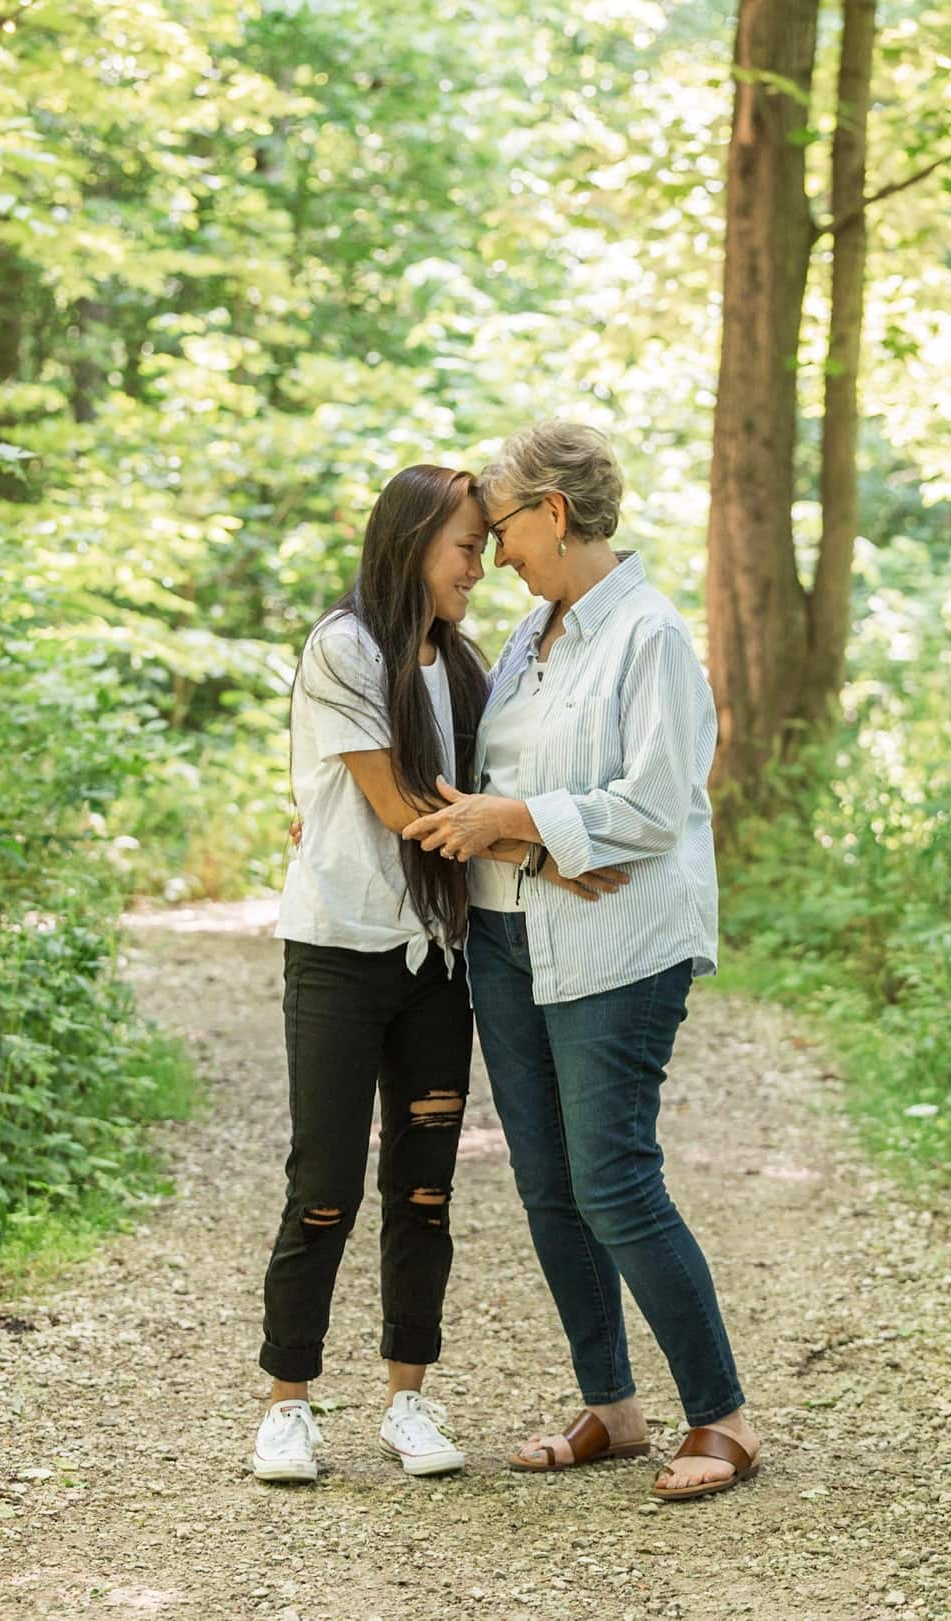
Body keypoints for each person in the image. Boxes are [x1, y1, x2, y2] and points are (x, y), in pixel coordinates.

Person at [403, 422, 760, 1502]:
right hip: (508, 934)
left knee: (614, 1179)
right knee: (548, 1184)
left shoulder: (649, 635)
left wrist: (520, 819)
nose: (495, 554)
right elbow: (486, 781)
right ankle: (612, 1404)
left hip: (619, 944)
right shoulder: (531, 635)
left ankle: (724, 1417)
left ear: (553, 513)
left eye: (503, 529)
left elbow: (656, 802)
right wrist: (512, 836)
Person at [254, 463, 624, 1485]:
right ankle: (287, 1405)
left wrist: (556, 834)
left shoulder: (460, 666)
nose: (480, 566)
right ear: (412, 542)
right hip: (337, 953)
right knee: (323, 1185)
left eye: (485, 545)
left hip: (434, 962)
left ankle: (407, 1399)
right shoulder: (344, 647)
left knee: (424, 1189)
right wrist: (543, 854)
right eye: (465, 547)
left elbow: (491, 786)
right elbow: (403, 805)